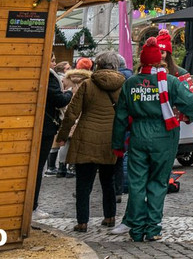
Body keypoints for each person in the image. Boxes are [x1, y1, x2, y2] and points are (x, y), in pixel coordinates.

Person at [112, 36, 193, 243]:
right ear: (159, 61)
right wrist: (187, 116)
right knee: (159, 182)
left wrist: (117, 144)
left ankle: (136, 228)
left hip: (139, 134)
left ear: (141, 61)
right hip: (164, 134)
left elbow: (121, 117)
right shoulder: (169, 81)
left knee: (136, 182)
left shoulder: (130, 83)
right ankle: (152, 228)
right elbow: (191, 103)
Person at [55, 52, 126, 233]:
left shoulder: (87, 85)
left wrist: (62, 135)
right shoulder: (122, 86)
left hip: (85, 138)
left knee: (83, 183)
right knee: (108, 181)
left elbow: (72, 113)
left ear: (97, 66)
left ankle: (82, 222)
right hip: (110, 139)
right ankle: (110, 217)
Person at [33, 66, 71, 214]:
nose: (54, 63)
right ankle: (33, 205)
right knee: (38, 166)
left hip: (40, 124)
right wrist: (69, 93)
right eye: (53, 59)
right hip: (46, 126)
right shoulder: (47, 74)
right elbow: (59, 100)